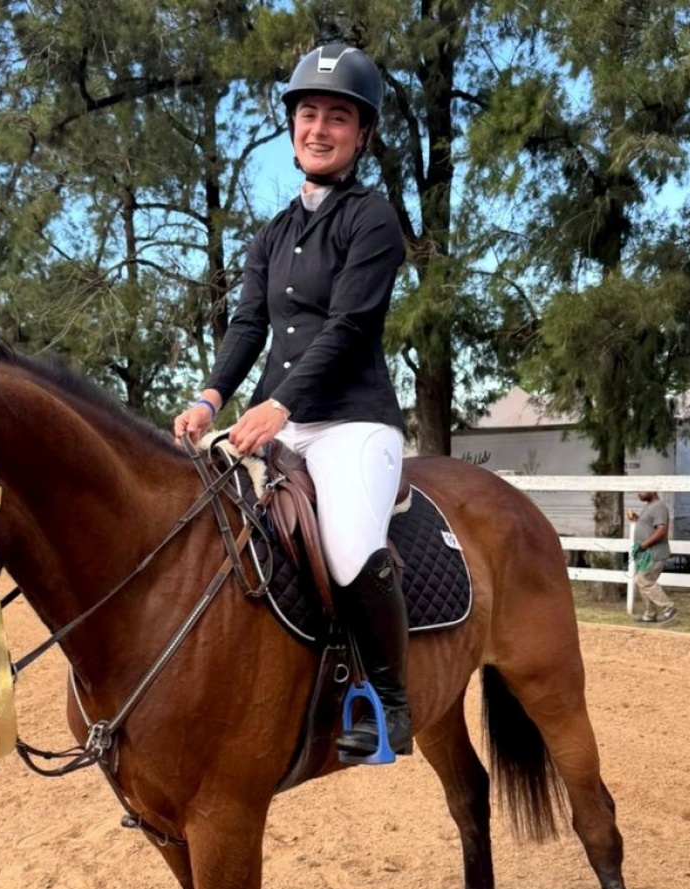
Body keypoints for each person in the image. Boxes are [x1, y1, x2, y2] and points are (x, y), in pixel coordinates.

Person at [173, 42, 412, 759]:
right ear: (292, 125)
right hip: (279, 421)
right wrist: (210, 397)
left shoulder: (373, 219)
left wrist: (278, 404)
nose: (319, 128)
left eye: (338, 117)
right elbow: (249, 325)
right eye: (309, 113)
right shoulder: (273, 233)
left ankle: (391, 702)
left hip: (353, 424)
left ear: (362, 135)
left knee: (348, 546)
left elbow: (349, 326)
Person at [626, 491, 676, 624]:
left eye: (642, 491)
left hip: (655, 553)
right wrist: (637, 519)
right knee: (641, 580)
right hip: (646, 554)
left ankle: (668, 607)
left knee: (644, 579)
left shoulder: (659, 507)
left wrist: (644, 544)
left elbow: (661, 529)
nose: (639, 494)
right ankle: (649, 614)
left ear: (652, 490)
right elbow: (649, 526)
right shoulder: (650, 506)